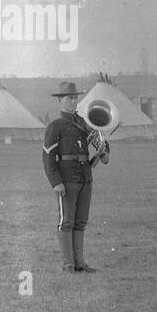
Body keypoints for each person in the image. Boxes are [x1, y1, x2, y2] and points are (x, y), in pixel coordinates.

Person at [43, 81, 105, 273]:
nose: (73, 102)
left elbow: (99, 138)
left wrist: (104, 151)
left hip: (85, 177)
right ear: (60, 100)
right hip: (66, 178)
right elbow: (48, 158)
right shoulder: (55, 126)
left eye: (75, 98)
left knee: (80, 221)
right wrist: (56, 182)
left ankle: (80, 262)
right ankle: (68, 263)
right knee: (66, 221)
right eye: (69, 98)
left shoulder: (84, 122)